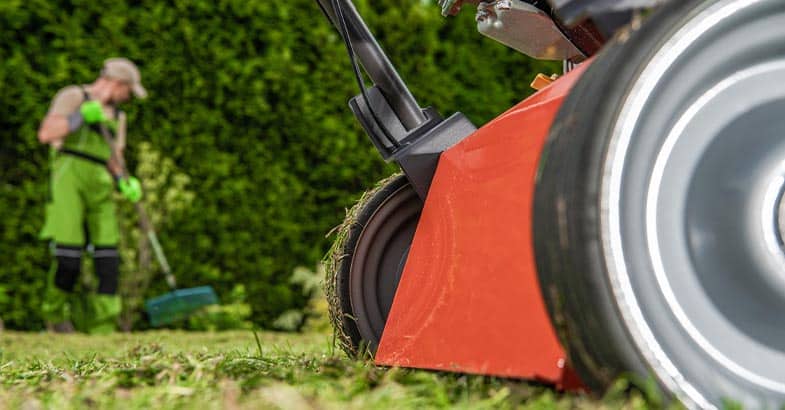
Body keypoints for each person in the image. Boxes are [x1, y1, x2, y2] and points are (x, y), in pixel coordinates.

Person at [37, 57, 147, 333]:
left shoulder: (119, 116)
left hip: (101, 182)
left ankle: (104, 326)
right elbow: (46, 134)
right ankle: (55, 315)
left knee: (108, 256)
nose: (128, 98)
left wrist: (124, 181)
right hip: (69, 177)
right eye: (128, 91)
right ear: (117, 83)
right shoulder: (74, 96)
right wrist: (80, 117)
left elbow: (114, 157)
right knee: (69, 256)